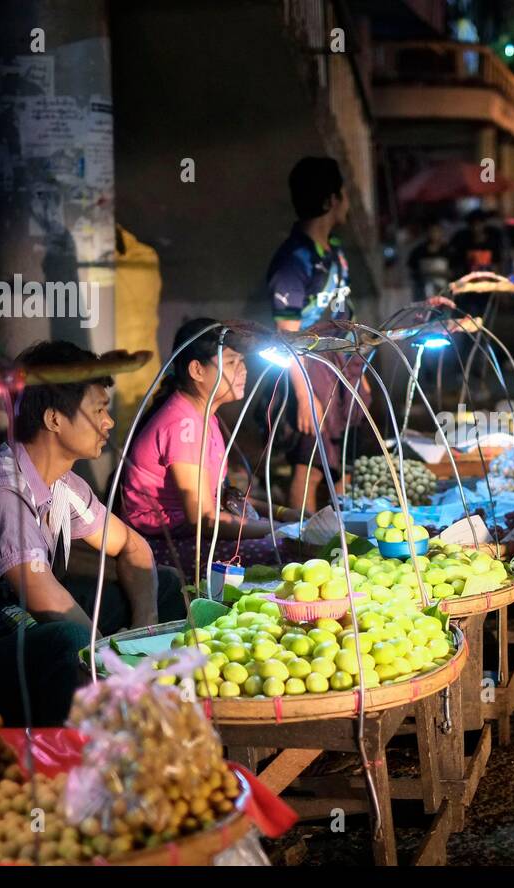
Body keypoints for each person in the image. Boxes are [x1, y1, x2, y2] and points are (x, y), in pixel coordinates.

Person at [0, 340, 186, 727]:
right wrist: (113, 661)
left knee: (163, 585)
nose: (109, 422)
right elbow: (46, 600)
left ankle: (139, 709)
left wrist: (144, 629)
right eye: (99, 410)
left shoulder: (63, 484)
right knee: (70, 642)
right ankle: (71, 754)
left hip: (15, 630)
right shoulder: (0, 493)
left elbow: (132, 548)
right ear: (54, 419)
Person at [122, 319, 283, 577]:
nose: (243, 370)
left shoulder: (204, 415)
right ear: (197, 370)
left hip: (186, 534)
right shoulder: (184, 425)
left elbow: (217, 496)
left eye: (242, 361)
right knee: (283, 549)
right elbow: (204, 519)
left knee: (288, 536)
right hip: (159, 546)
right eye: (231, 362)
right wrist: (277, 529)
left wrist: (285, 515)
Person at [265, 156, 367, 513]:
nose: (347, 203)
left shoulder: (335, 254)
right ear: (331, 200)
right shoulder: (293, 261)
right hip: (309, 371)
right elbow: (286, 336)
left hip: (341, 367)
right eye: (343, 194)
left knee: (342, 464)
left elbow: (345, 314)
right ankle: (300, 546)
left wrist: (360, 370)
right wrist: (304, 395)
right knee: (308, 468)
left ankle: (345, 537)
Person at [407, 219, 452, 300]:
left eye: (437, 231)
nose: (434, 234)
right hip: (423, 292)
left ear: (441, 233)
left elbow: (454, 271)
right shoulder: (419, 252)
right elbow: (412, 270)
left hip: (444, 292)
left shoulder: (448, 251)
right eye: (432, 231)